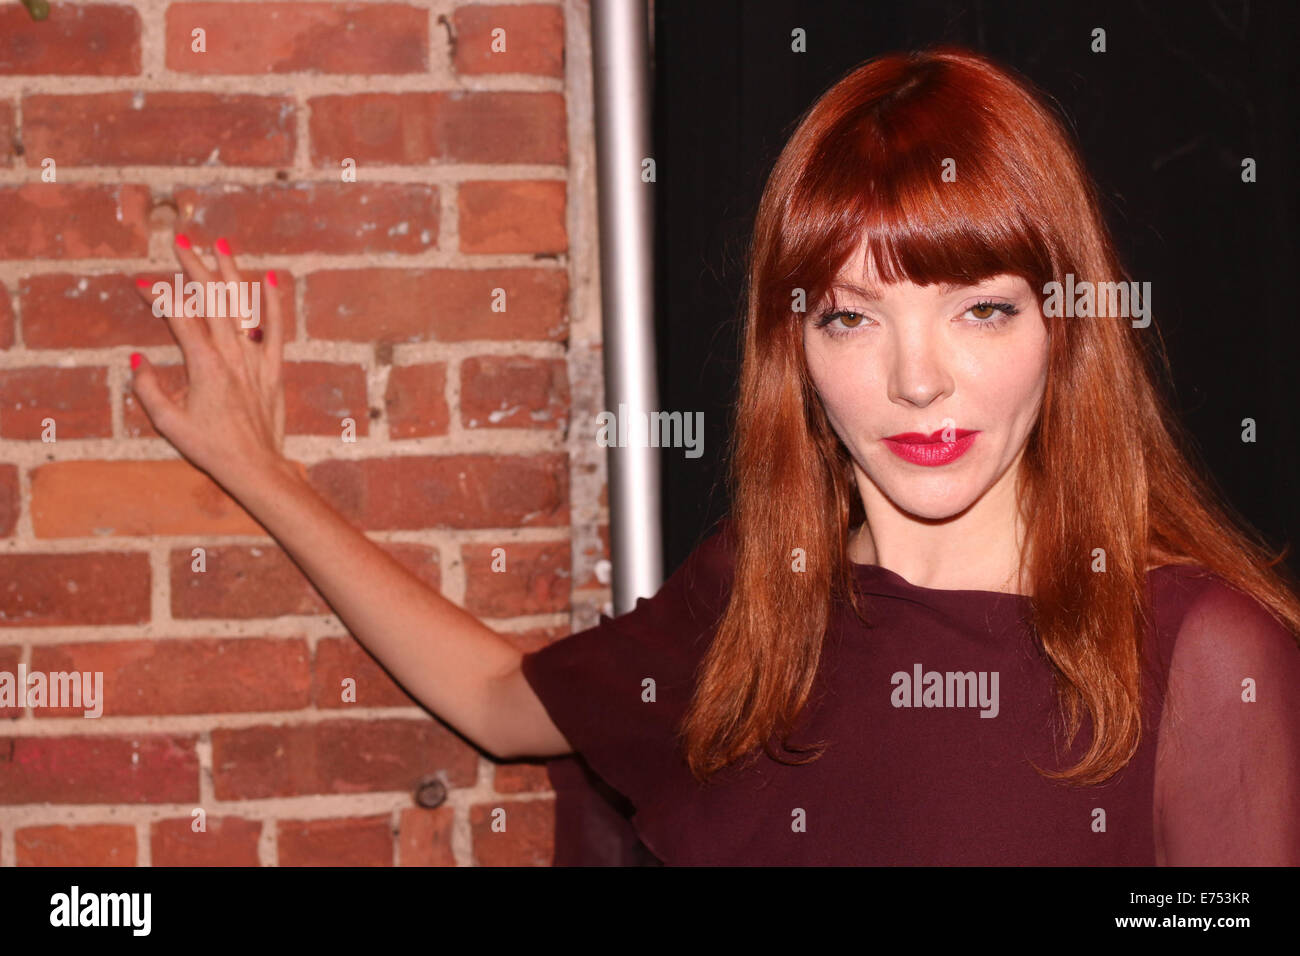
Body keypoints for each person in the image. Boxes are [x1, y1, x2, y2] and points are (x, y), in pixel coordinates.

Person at [128, 46, 1300, 865]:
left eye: (978, 309)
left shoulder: (1195, 654)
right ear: (793, 348)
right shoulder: (760, 600)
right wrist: (263, 471)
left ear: (1064, 325)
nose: (916, 378)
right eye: (850, 316)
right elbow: (495, 696)